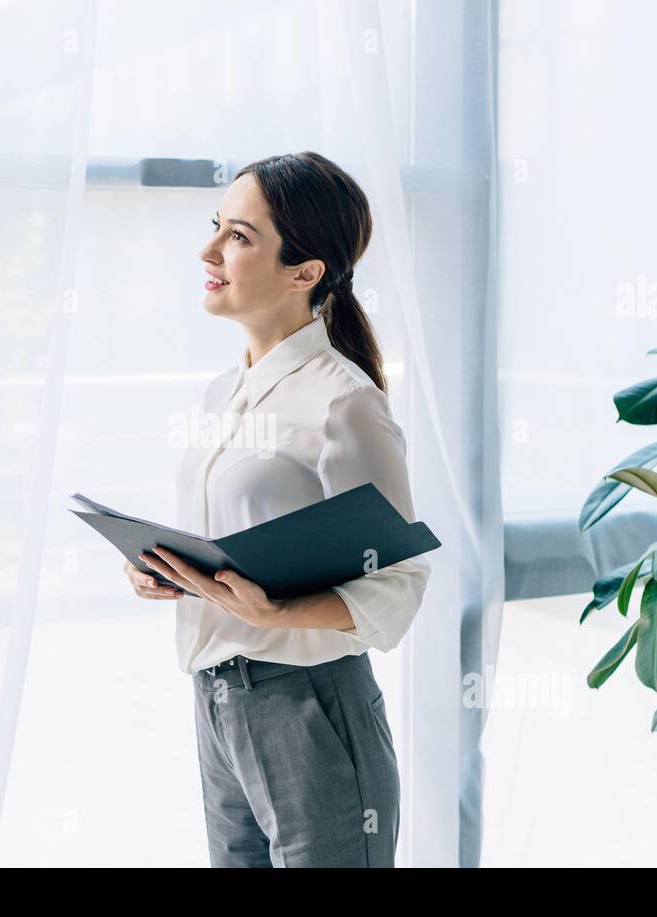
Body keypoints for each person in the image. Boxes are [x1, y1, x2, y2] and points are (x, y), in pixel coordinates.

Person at [125, 151, 430, 866]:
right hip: (217, 704)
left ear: (306, 271)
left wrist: (280, 613)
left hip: (310, 707)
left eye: (238, 236)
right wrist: (166, 572)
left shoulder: (345, 403)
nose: (209, 250)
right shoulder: (218, 395)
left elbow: (401, 584)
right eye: (216, 227)